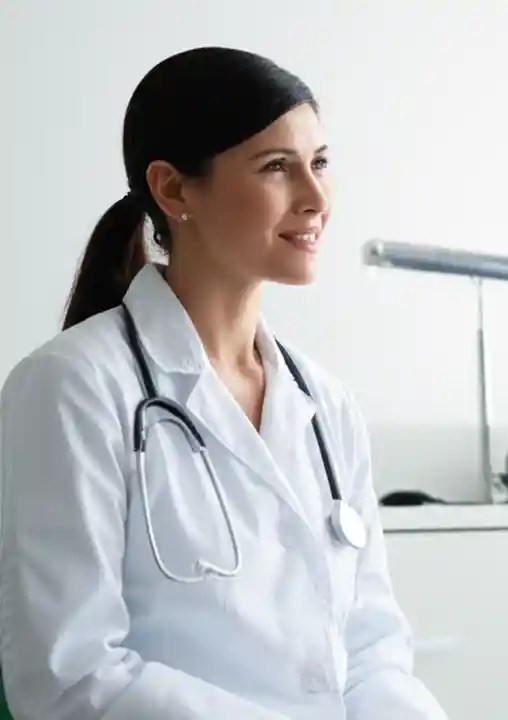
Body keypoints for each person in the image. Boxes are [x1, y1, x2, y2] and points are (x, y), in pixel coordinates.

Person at [0, 47, 448, 719]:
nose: (317, 198)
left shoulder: (326, 406)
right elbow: (72, 676)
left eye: (320, 163)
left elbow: (372, 648)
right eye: (276, 167)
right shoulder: (72, 389)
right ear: (174, 190)